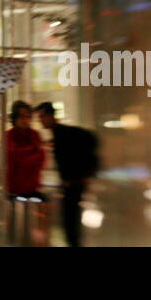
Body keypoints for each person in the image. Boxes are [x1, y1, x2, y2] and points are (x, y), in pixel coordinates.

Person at [34, 101, 98, 247]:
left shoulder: (64, 133)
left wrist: (81, 174)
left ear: (51, 116)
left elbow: (89, 141)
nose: (41, 121)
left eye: (42, 117)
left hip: (73, 184)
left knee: (70, 223)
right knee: (70, 223)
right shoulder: (58, 135)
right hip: (71, 184)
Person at [5, 101, 45, 244]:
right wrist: (30, 154)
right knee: (14, 231)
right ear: (15, 118)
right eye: (22, 116)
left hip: (32, 188)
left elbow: (41, 159)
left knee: (33, 231)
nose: (25, 120)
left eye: (28, 116)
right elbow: (12, 157)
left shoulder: (35, 135)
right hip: (14, 190)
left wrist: (24, 157)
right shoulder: (8, 136)